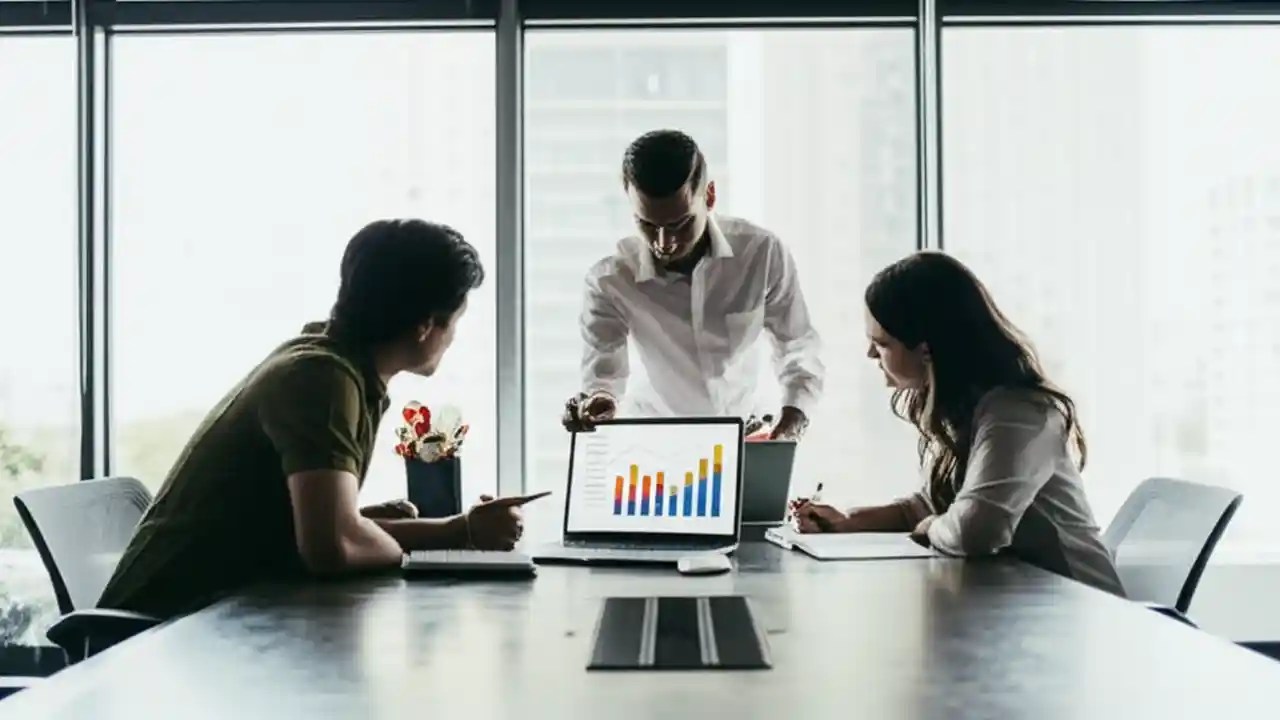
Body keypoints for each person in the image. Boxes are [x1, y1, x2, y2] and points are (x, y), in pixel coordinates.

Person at [99, 219, 546, 620]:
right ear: (426, 324)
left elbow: (321, 536)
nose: (454, 338)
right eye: (456, 321)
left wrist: (367, 525)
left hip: (216, 618)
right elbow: (333, 548)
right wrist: (460, 531)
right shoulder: (322, 379)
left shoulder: (326, 360)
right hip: (161, 636)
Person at [793, 251, 1124, 596]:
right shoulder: (971, 408)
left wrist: (932, 526)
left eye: (882, 343)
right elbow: (933, 504)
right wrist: (848, 522)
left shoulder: (1019, 415)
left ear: (926, 349)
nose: (871, 355)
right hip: (1030, 605)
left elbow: (975, 530)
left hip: (1083, 609)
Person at [562, 129, 824, 439]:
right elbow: (602, 377)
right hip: (654, 444)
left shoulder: (761, 254)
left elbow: (797, 345)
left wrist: (792, 418)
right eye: (647, 225)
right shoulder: (610, 281)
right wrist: (598, 402)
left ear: (709, 196)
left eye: (680, 224)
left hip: (745, 436)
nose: (664, 243)